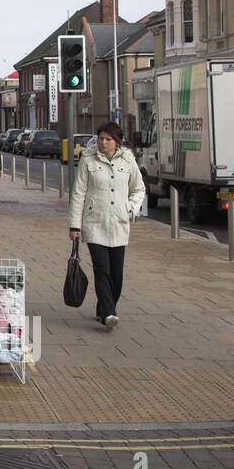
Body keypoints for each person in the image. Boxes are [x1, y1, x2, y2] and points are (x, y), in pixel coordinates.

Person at [68, 121, 145, 330]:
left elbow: (139, 189)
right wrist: (74, 226)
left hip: (119, 224)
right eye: (101, 138)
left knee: (116, 274)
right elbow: (78, 193)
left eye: (108, 139)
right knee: (102, 270)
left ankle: (104, 307)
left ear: (116, 142)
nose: (103, 142)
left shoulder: (128, 159)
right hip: (94, 223)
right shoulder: (88, 159)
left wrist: (130, 208)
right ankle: (110, 313)